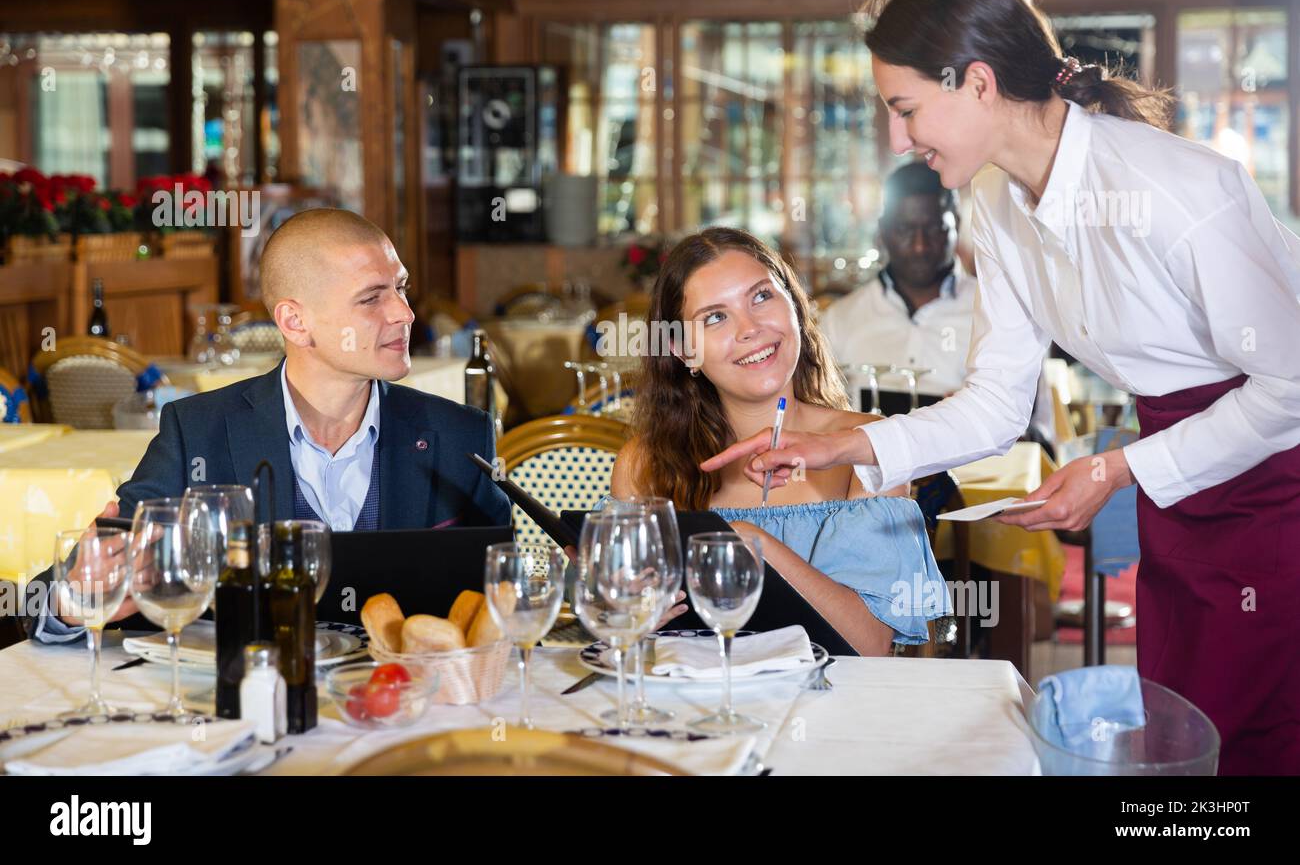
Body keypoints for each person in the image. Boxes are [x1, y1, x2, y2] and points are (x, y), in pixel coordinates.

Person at [703, 0, 1300, 774]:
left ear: (978, 84)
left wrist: (1118, 466)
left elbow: (1291, 384)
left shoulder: (1177, 189)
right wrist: (841, 447)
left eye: (907, 109)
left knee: (1253, 739)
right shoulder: (996, 201)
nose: (901, 139)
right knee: (1183, 735)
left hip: (1275, 489)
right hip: (1184, 491)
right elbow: (994, 404)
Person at [29, 208, 510, 642]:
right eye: (370, 299)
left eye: (401, 288)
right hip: (246, 710)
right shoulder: (198, 431)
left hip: (405, 713)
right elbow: (52, 593)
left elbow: (501, 595)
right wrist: (76, 600)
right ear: (295, 322)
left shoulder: (459, 434)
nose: (404, 313)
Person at [611, 227, 950, 656]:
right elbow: (627, 643)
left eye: (761, 297)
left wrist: (753, 543)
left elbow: (869, 645)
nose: (750, 328)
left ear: (794, 305)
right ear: (682, 351)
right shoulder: (643, 464)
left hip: (828, 712)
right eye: (715, 317)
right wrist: (627, 622)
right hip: (690, 712)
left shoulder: (865, 446)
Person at [822, 161, 974, 397]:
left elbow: (1036, 426)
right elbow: (818, 413)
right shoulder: (839, 321)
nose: (920, 246)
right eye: (905, 230)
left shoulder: (993, 314)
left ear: (957, 225)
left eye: (934, 229)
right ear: (883, 231)